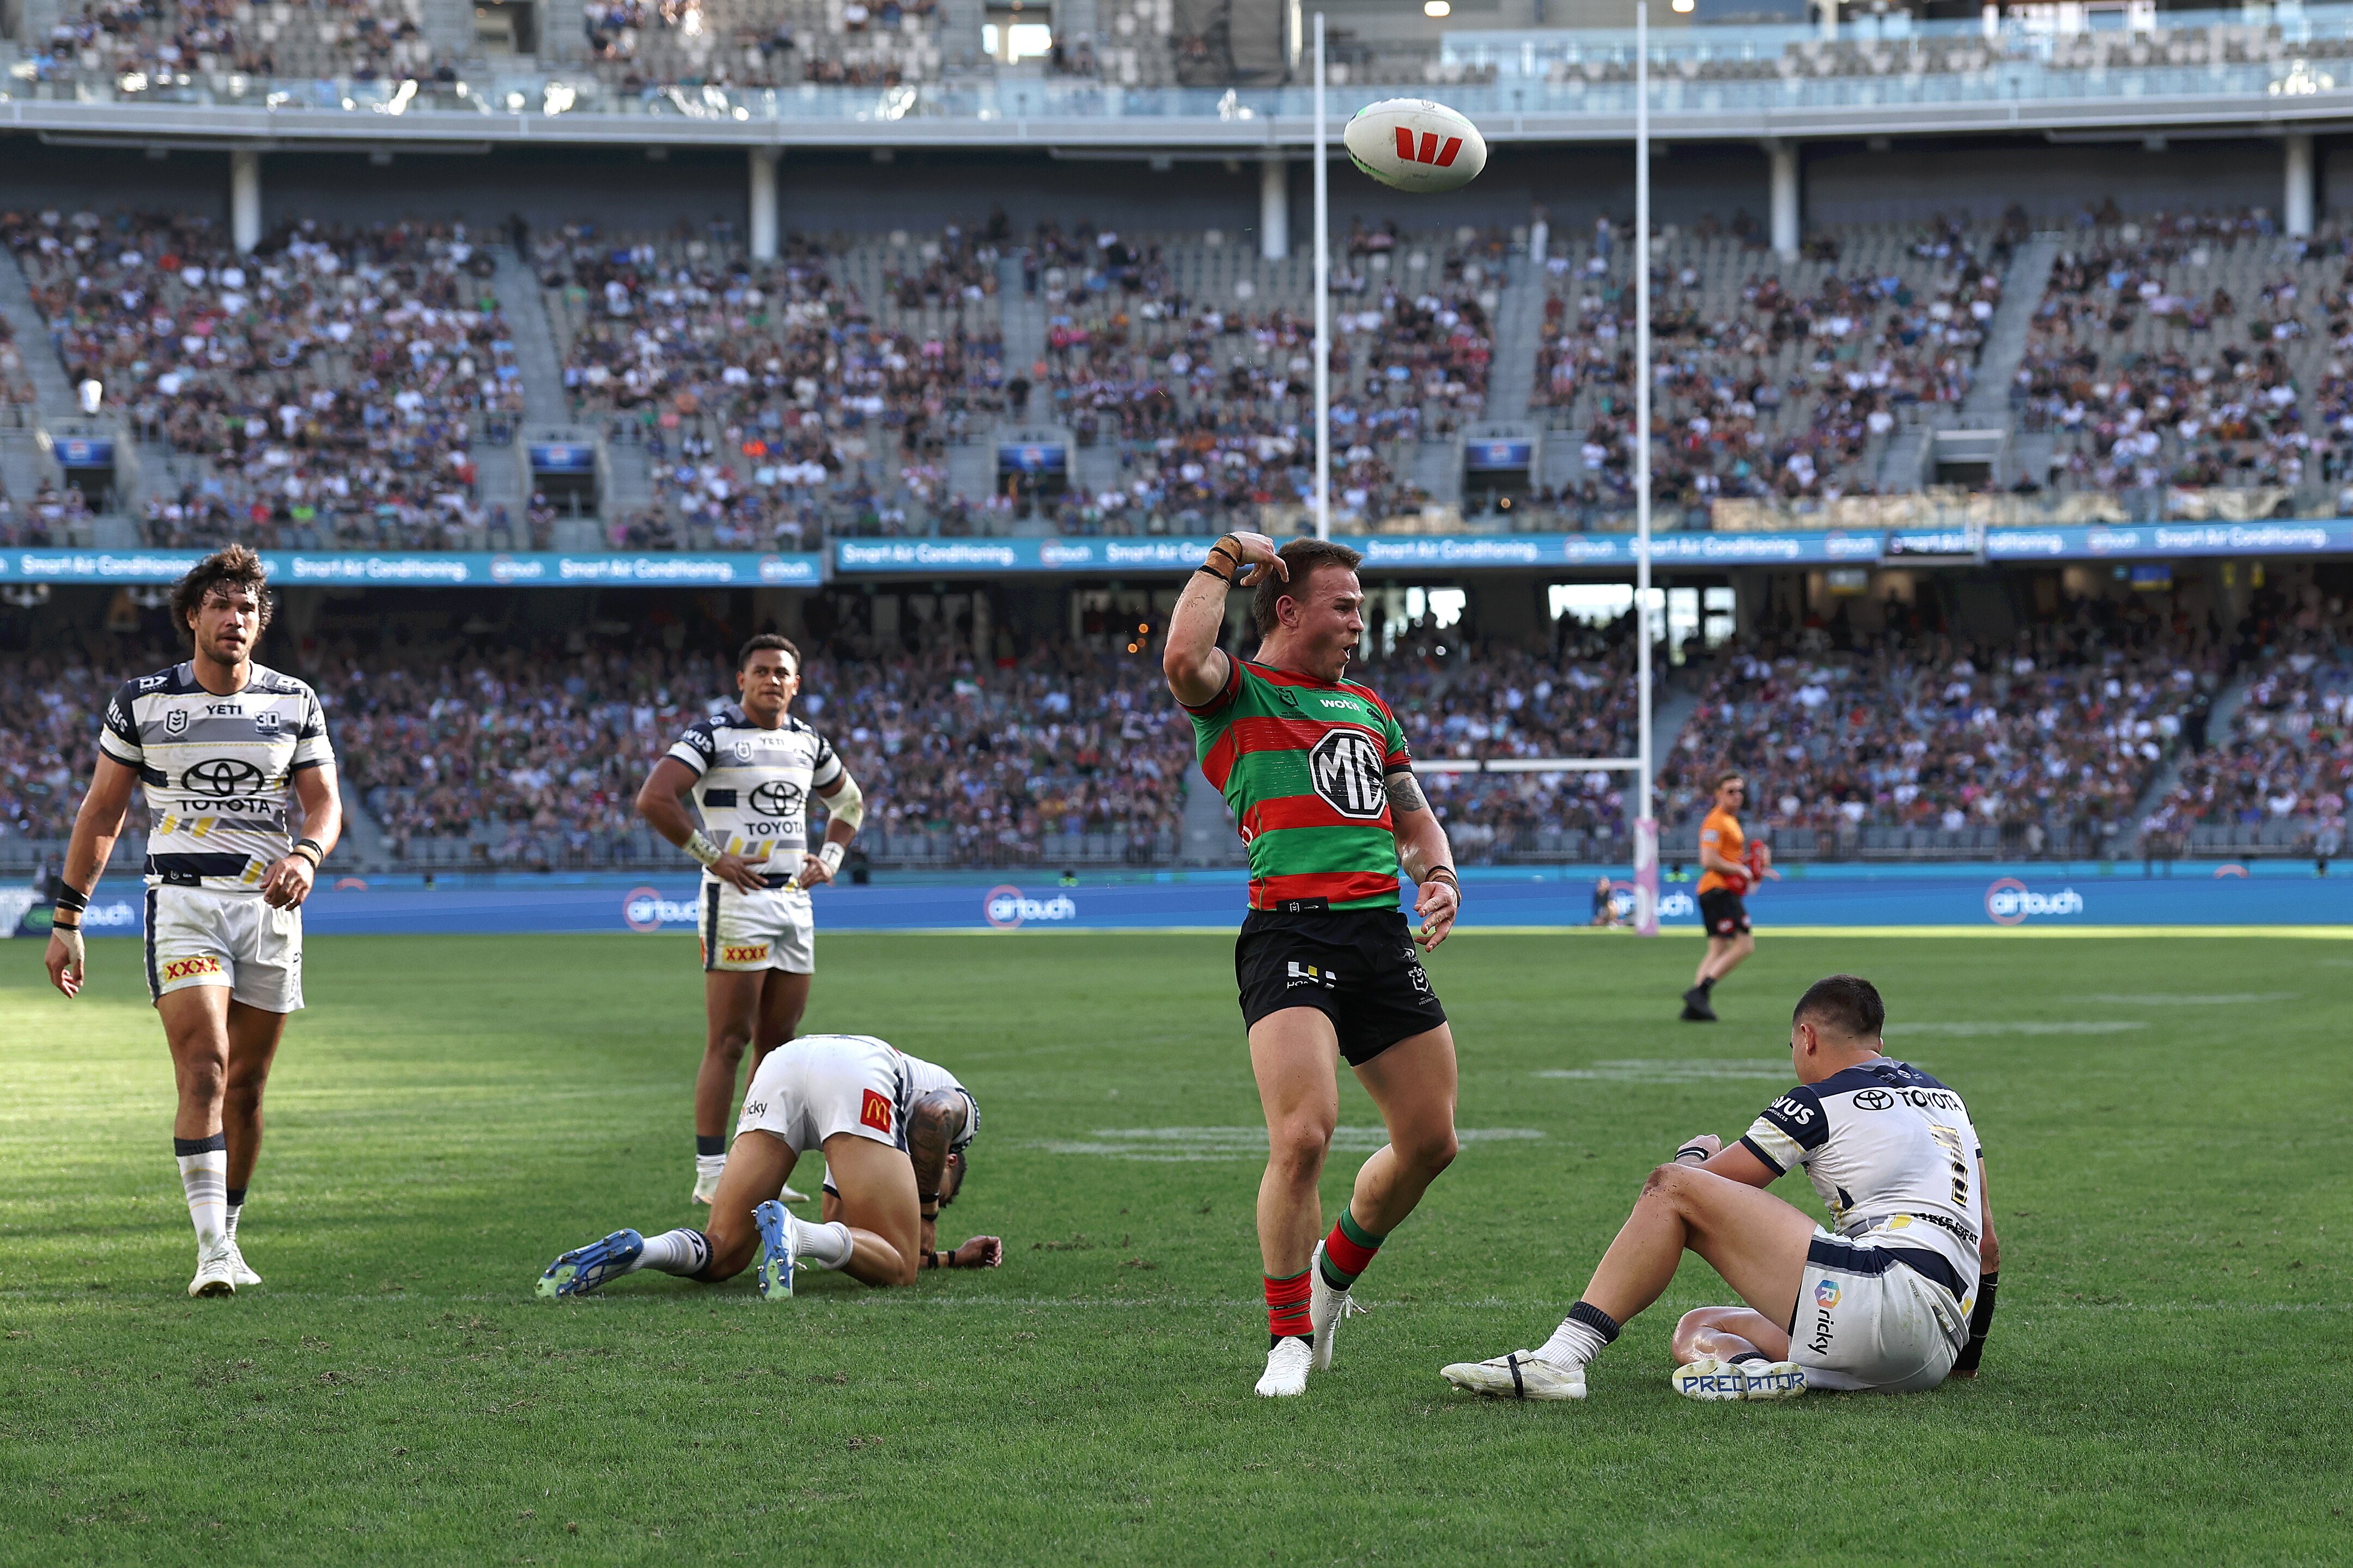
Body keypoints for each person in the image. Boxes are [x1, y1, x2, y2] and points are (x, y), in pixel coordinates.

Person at [1162, 533, 1463, 1399]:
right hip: (1288, 933)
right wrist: (1224, 559)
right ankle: (1288, 1334)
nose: (1357, 625)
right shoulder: (1238, 693)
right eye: (1345, 607)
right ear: (1288, 610)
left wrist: (1436, 873)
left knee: (1430, 1140)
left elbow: (1413, 822)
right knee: (1302, 1134)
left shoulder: (1370, 709)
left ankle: (1330, 1277)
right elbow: (1183, 654)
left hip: (1377, 935)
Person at [1440, 974, 1999, 1402]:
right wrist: (1961, 1361)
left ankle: (1560, 1358)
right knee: (1699, 1328)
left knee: (1669, 1185)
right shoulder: (1948, 1103)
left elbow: (1694, 1189)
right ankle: (1754, 1372)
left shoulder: (1815, 1100)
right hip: (1930, 1348)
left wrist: (1689, 1156)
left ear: (1806, 1037)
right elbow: (1988, 1246)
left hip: (1878, 1297)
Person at [42, 545, 342, 1298]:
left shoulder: (294, 701)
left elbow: (324, 803)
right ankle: (210, 1251)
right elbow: (103, 811)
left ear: (260, 624)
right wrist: (67, 915)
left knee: (246, 1085)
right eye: (221, 604)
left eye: (247, 607)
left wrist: (305, 855)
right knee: (205, 1064)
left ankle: (229, 1234)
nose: (235, 617)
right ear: (192, 617)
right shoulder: (142, 701)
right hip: (181, 903)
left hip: (269, 907)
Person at [636, 634, 866, 1206]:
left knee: (779, 1044)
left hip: (793, 901)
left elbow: (850, 804)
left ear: (796, 683)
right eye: (760, 671)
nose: (771, 680)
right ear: (741, 680)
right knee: (730, 1040)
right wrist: (710, 855)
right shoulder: (712, 735)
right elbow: (655, 797)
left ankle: (755, 1168)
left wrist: (830, 858)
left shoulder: (807, 741)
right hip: (736, 901)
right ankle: (711, 1173)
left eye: (781, 672)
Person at [537, 1034, 1001, 1298]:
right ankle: (793, 1233)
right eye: (946, 1188)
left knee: (724, 1253)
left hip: (784, 1064)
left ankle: (644, 1250)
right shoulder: (960, 1117)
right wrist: (927, 1210)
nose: (940, 1192)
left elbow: (845, 1227)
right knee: (900, 1270)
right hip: (855, 1076)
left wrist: (950, 1259)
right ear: (951, 1160)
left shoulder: (883, 1130)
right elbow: (937, 1115)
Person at [1681, 771, 1775, 1021]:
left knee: (1718, 948)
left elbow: (1728, 859)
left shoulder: (1731, 822)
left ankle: (1694, 1008)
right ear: (1718, 794)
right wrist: (1741, 869)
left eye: (1740, 791)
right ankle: (1700, 992)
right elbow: (1708, 859)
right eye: (1730, 791)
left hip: (1717, 890)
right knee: (1744, 945)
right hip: (1718, 890)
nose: (1737, 796)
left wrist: (1754, 866)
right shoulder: (1716, 821)